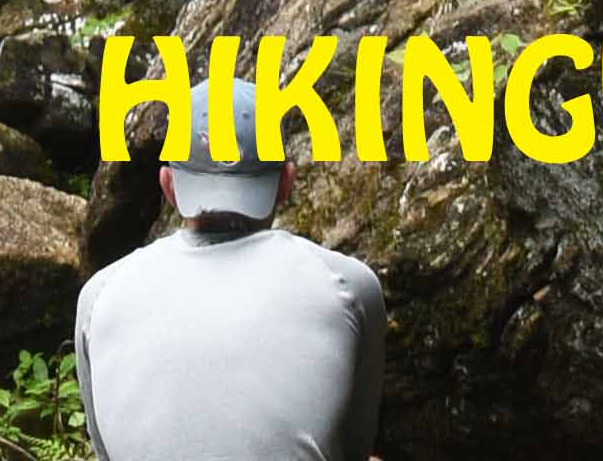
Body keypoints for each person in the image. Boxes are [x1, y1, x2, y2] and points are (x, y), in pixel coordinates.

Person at [73, 134, 387, 461]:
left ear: (168, 185)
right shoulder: (351, 285)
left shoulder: (99, 295)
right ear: (286, 181)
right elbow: (354, 449)